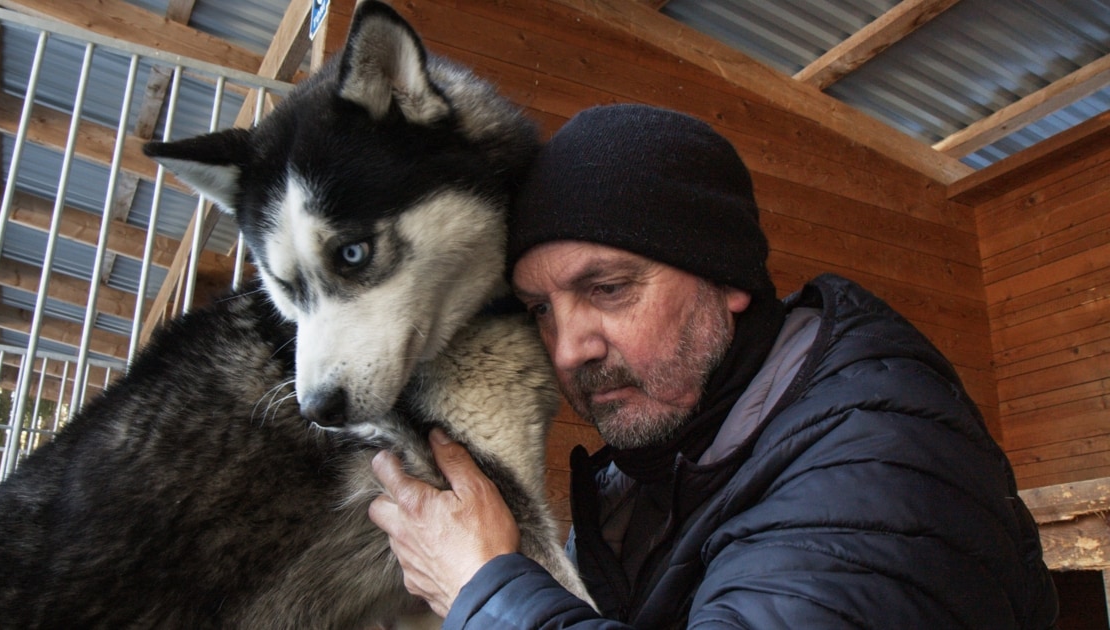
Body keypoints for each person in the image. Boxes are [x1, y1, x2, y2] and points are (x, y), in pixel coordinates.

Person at [368, 104, 1058, 628]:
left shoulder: (877, 466)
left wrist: (483, 587)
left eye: (608, 288)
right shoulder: (645, 473)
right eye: (541, 309)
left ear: (724, 277)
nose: (569, 349)